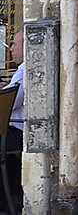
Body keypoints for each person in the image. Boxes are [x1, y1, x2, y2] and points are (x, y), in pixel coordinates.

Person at [4, 29, 23, 209]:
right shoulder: (22, 70)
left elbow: (11, 102)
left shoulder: (25, 70)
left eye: (15, 44)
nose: (11, 48)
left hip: (17, 131)